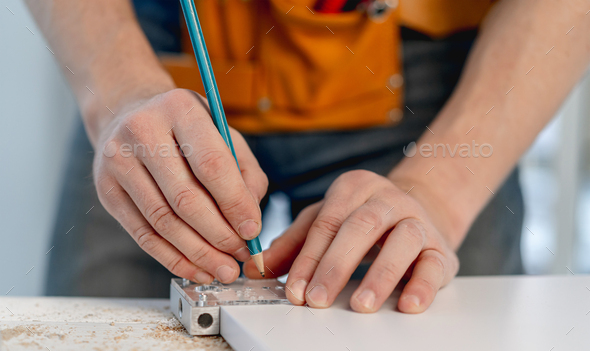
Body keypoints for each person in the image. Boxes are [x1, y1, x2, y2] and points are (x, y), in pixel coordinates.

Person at [26, 0, 590, 314]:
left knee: (438, 317)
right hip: (151, 35)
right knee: (91, 323)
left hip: (430, 59)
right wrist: (121, 93)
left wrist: (441, 191)